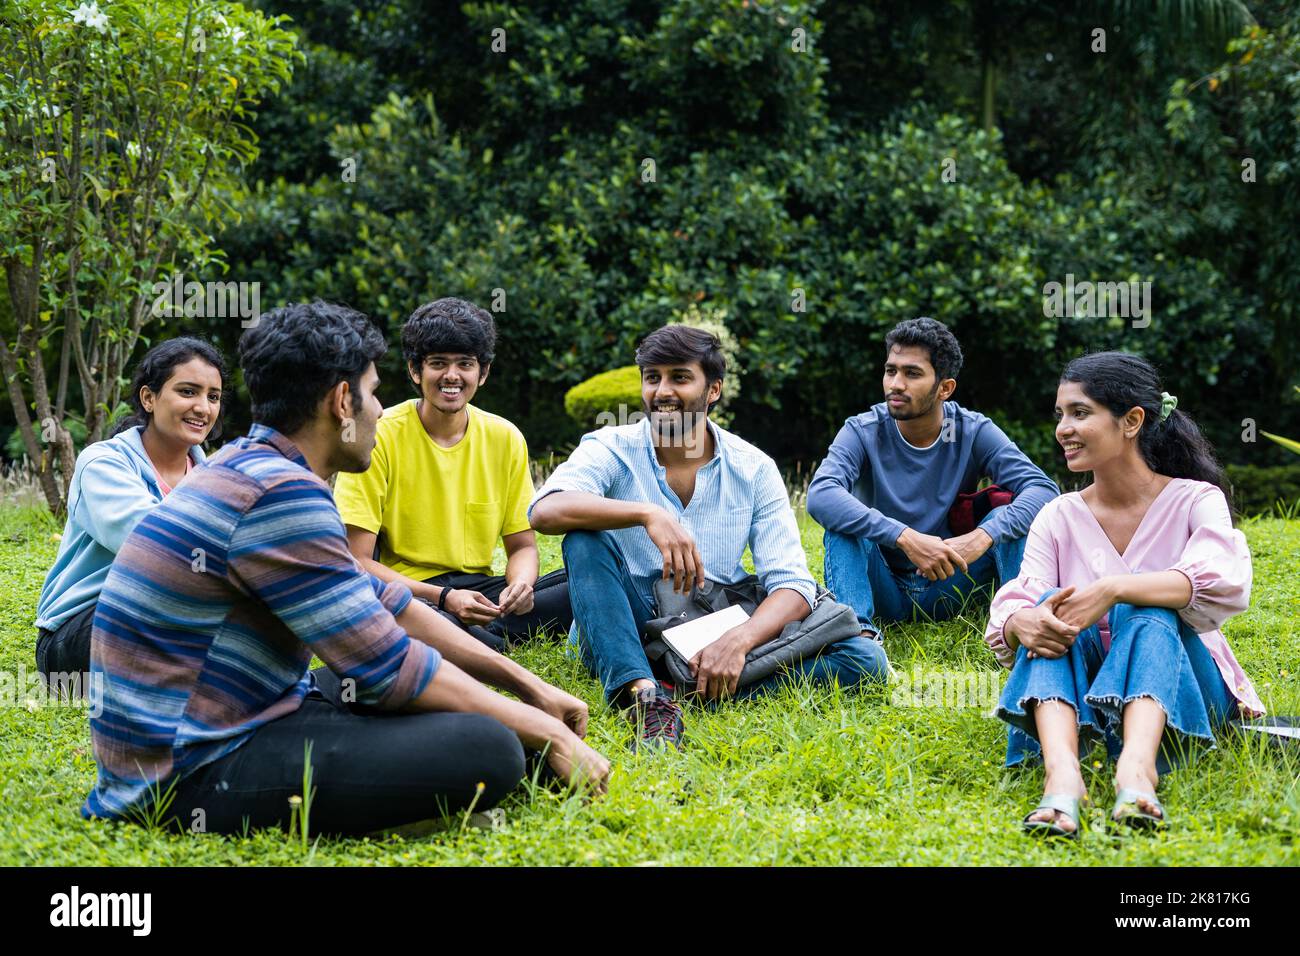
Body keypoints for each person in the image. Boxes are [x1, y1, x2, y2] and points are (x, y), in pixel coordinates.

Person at [84, 301, 609, 835]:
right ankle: (392, 815)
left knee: (454, 711)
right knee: (491, 747)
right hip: (183, 770)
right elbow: (386, 667)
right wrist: (547, 731)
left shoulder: (254, 466)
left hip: (249, 708)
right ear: (342, 401)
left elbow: (388, 606)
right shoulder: (278, 493)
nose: (380, 409)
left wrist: (528, 686)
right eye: (374, 391)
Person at [530, 324, 888, 752]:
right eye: (652, 377)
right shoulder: (612, 446)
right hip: (626, 620)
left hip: (710, 621)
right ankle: (643, 697)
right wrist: (648, 513)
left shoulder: (753, 467)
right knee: (583, 541)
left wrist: (738, 642)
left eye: (680, 377)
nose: (662, 391)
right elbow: (545, 510)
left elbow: (793, 585)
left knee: (863, 660)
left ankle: (680, 691)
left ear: (713, 389)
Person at [986, 351, 1263, 837]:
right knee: (1049, 609)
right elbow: (1022, 593)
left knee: (1144, 602)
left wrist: (1114, 588)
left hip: (1184, 686)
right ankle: (1063, 776)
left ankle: (1137, 771)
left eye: (1080, 413)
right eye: (1061, 416)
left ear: (1132, 420)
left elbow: (1224, 578)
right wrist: (1018, 622)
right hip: (1084, 694)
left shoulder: (1195, 499)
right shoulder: (1059, 514)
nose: (1063, 429)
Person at [336, 297, 569, 652]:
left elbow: (522, 546)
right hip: (411, 593)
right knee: (407, 615)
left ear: (483, 372)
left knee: (582, 581)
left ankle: (475, 639)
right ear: (415, 371)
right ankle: (480, 640)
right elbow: (357, 562)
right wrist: (444, 597)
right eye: (438, 364)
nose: (452, 376)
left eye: (465, 364)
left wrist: (520, 585)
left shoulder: (505, 437)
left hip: (479, 593)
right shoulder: (379, 435)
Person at [807, 317, 1058, 642]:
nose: (895, 384)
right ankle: (858, 640)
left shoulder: (970, 431)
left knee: (1007, 520)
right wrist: (905, 537)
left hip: (954, 582)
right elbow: (821, 495)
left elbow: (1042, 490)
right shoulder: (864, 430)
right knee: (844, 523)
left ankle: (1020, 625)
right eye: (890, 370)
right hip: (884, 587)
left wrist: (980, 537)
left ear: (945, 388)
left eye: (912, 373)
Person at [34, 337, 226, 681]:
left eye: (213, 397)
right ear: (149, 398)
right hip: (80, 633)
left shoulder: (214, 479)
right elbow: (153, 546)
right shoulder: (104, 462)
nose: (203, 407)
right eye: (187, 391)